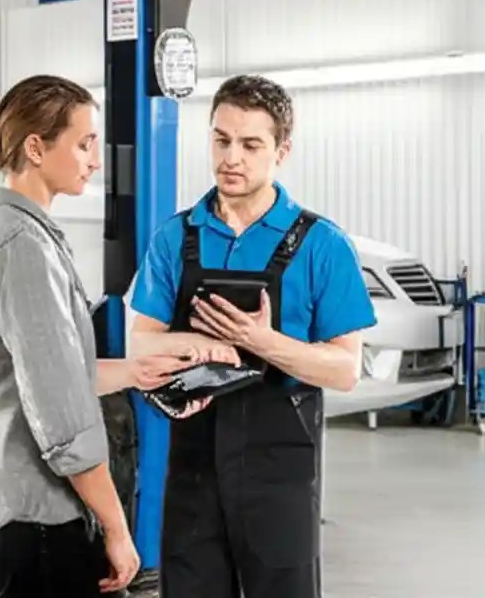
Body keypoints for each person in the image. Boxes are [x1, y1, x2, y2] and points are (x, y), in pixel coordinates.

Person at [0, 74, 236, 598]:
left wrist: (136, 373)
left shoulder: (11, 232)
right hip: (37, 517)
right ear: (36, 147)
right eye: (83, 144)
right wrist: (118, 528)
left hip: (10, 508)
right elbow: (63, 422)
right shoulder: (21, 247)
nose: (96, 161)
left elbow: (38, 375)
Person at [129, 74, 377, 598]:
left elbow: (346, 370)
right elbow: (139, 344)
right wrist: (201, 349)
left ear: (281, 151)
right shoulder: (176, 237)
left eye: (250, 144)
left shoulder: (322, 245)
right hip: (194, 467)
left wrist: (261, 341)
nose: (231, 158)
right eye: (221, 140)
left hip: (280, 470)